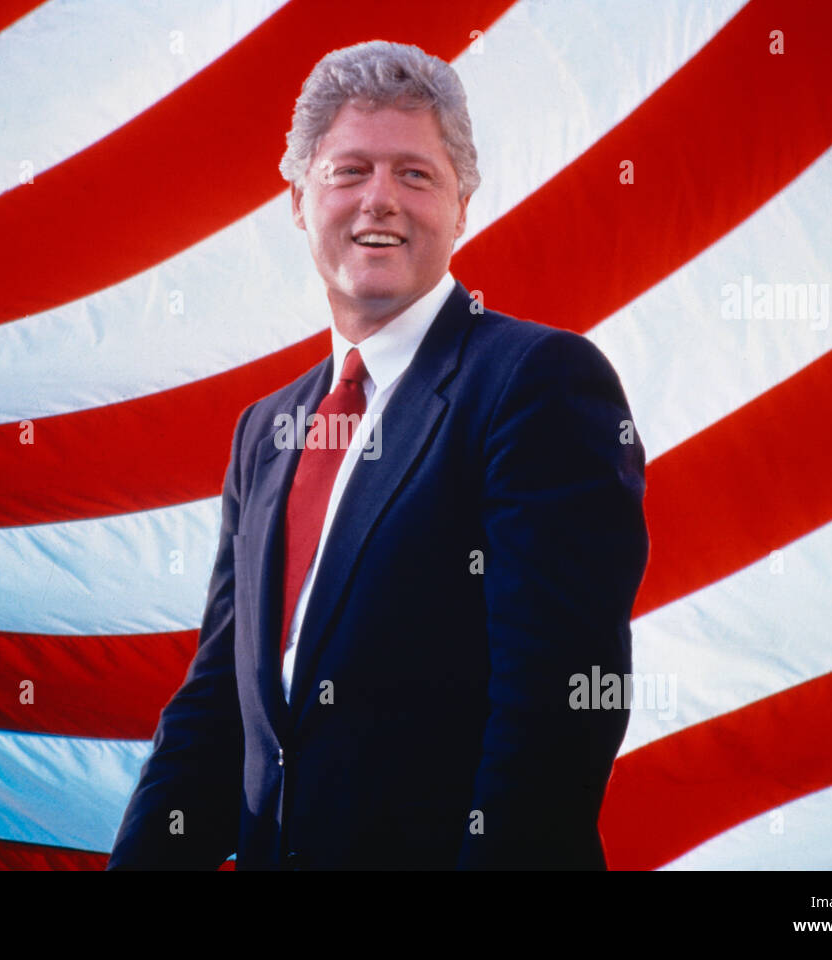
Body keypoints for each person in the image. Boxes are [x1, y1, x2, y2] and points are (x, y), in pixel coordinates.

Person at [107, 39, 648, 870]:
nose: (380, 202)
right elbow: (219, 707)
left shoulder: (537, 384)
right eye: (349, 171)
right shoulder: (266, 431)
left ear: (462, 203)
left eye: (416, 174)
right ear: (297, 199)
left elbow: (553, 720)